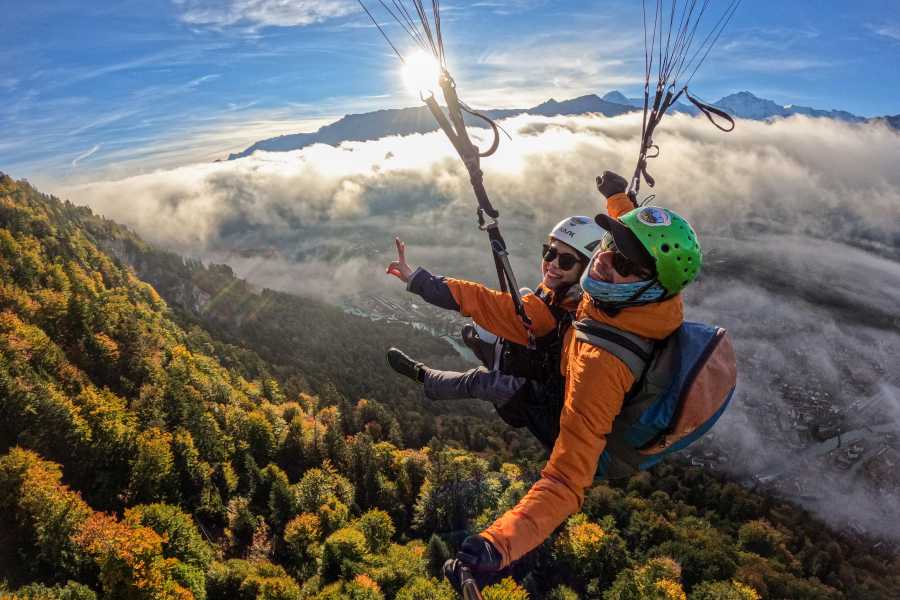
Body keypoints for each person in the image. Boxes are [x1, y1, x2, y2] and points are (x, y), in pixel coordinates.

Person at [442, 171, 703, 591]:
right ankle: (484, 352)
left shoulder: (602, 362)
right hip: (572, 374)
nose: (604, 257)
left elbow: (566, 481)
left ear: (646, 286)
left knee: (504, 373)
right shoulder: (654, 298)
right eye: (609, 244)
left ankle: (483, 355)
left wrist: (497, 545)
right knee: (522, 326)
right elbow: (645, 245)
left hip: (566, 418)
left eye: (621, 262)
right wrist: (619, 201)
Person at [384, 216, 605, 442]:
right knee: (524, 296)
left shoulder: (547, 314)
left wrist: (417, 280)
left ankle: (427, 377)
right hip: (543, 376)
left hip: (542, 409)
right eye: (549, 252)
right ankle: (485, 347)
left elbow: (480, 300)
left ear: (586, 270)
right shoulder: (571, 299)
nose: (553, 264)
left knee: (482, 381)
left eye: (567, 261)